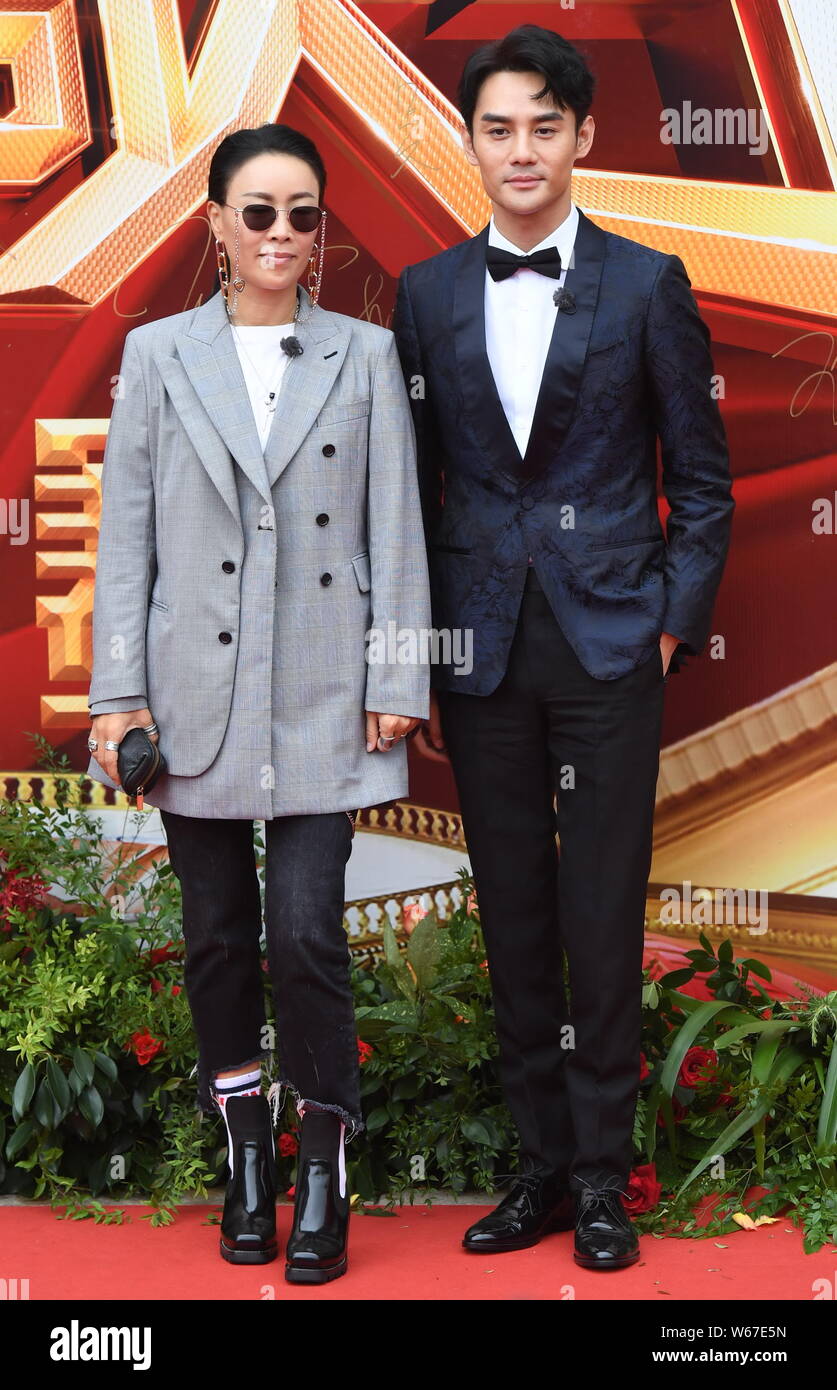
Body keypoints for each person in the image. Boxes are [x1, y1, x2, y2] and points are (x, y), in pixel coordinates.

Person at [392, 25, 734, 1269]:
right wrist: (417, 654)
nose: (522, 148)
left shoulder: (648, 285)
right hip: (480, 656)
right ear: (471, 140)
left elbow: (702, 484)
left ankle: (604, 1180)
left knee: (598, 914)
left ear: (584, 137)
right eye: (499, 126)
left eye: (546, 124)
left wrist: (667, 628)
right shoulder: (426, 295)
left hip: (607, 653)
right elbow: (404, 497)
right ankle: (539, 1168)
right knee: (515, 917)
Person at [86, 123, 431, 1282]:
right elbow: (125, 541)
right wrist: (117, 696)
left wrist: (397, 674)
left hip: (329, 689)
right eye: (260, 211)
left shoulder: (367, 355)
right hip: (192, 695)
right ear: (217, 226)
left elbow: (399, 525)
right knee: (220, 941)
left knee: (306, 933)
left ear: (320, 232)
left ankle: (325, 1159)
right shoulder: (158, 355)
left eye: (304, 214)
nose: (282, 233)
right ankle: (246, 1152)